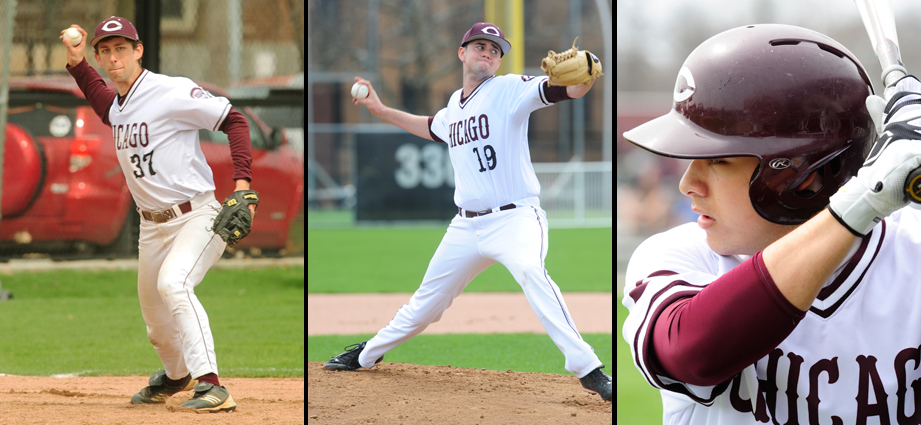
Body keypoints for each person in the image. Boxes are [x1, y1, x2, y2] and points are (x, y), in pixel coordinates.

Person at [621, 23, 921, 423]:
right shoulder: (681, 255)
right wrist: (864, 198)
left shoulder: (912, 255)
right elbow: (690, 354)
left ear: (803, 175)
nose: (687, 184)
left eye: (717, 161)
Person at [324, 22, 611, 402]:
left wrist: (585, 76)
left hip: (515, 218)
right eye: (480, 46)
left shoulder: (509, 89)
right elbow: (430, 126)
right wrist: (379, 109)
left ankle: (589, 369)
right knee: (426, 303)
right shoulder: (453, 109)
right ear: (462, 53)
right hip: (466, 226)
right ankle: (367, 354)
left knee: (531, 271)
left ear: (499, 61)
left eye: (495, 50)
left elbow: (565, 90)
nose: (488, 53)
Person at [59, 16, 256, 413]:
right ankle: (177, 375)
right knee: (156, 321)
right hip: (151, 226)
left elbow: (234, 120)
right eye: (106, 51)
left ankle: (212, 385)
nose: (114, 58)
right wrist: (78, 62)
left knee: (174, 284)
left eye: (121, 48)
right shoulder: (119, 104)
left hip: (196, 215)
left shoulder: (171, 91)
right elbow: (106, 105)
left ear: (139, 51)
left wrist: (242, 186)